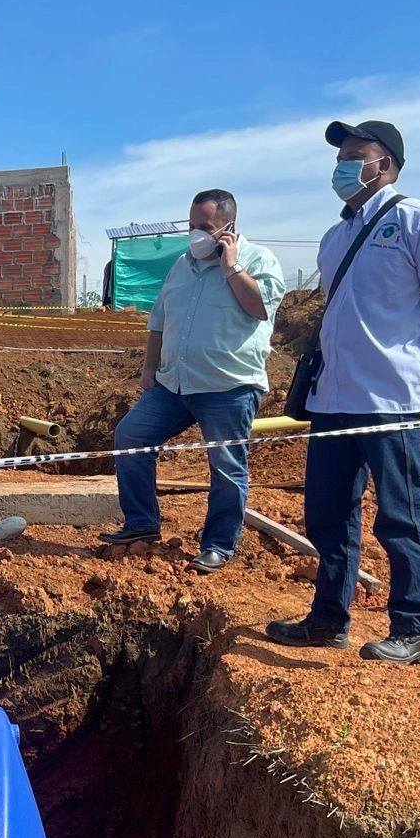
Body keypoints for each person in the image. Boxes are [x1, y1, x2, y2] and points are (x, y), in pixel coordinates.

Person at [265, 120, 420, 664]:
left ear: (387, 165)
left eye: (356, 155)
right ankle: (329, 619)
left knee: (401, 514)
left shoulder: (419, 222)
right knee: (328, 513)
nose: (343, 166)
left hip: (389, 400)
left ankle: (412, 627)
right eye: (340, 158)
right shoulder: (336, 236)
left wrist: (402, 361)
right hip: (333, 398)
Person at [98, 190, 283, 572]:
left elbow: (260, 307)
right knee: (131, 437)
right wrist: (149, 370)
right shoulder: (181, 266)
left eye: (205, 228)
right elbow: (159, 321)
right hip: (173, 386)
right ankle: (141, 524)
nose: (195, 235)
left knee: (226, 466)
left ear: (228, 229)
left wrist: (231, 267)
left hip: (228, 387)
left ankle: (218, 544)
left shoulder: (259, 260)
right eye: (191, 225)